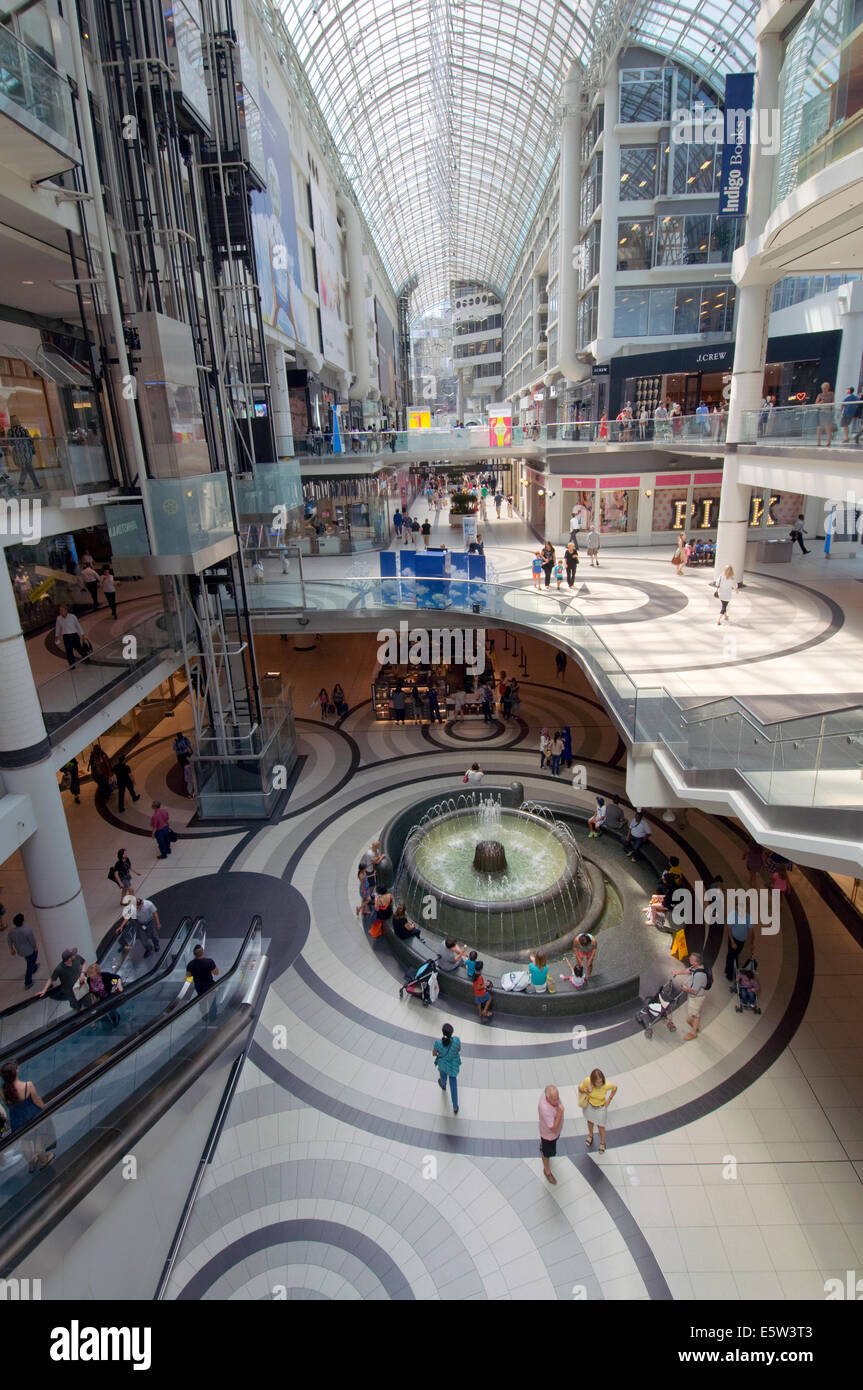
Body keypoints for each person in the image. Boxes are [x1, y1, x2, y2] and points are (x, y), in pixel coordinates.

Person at [1, 1062, 53, 1171]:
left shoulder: (2, 1092)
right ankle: (43, 1161)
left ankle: (31, 1164)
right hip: (32, 1115)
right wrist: (45, 1109)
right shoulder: (27, 1085)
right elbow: (37, 1100)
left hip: (16, 1119)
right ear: (16, 1072)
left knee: (25, 1141)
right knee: (37, 1140)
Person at [672, 951, 710, 1041]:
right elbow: (688, 970)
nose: (689, 959)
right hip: (693, 997)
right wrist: (677, 973)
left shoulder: (699, 975)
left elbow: (695, 991)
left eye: (691, 959)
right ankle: (693, 1020)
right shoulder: (695, 967)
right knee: (694, 1012)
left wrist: (685, 988)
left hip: (696, 998)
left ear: (696, 962)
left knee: (696, 1014)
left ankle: (693, 1033)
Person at [579, 1069, 617, 1153]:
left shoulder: (606, 1085)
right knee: (590, 1121)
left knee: (601, 1126)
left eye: (601, 1081)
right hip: (589, 1106)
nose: (600, 1084)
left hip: (600, 1108)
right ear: (593, 1081)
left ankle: (602, 1143)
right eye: (597, 1082)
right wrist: (586, 1090)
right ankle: (590, 1135)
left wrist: (609, 1099)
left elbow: (615, 1088)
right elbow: (580, 1088)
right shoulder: (587, 1081)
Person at [38, 946, 87, 1010]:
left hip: (81, 986)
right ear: (69, 958)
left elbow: (84, 962)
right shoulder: (59, 969)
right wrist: (44, 990)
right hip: (71, 992)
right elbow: (51, 979)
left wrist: (82, 973)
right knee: (76, 1005)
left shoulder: (77, 957)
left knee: (86, 999)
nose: (75, 954)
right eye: (73, 954)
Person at [538, 1084, 564, 1184]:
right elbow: (553, 1127)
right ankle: (547, 1171)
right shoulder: (544, 1108)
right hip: (549, 1136)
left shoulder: (551, 1098)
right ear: (548, 1098)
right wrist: (560, 1113)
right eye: (554, 1100)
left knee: (546, 1146)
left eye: (558, 1098)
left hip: (553, 1133)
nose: (557, 1102)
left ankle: (542, 1145)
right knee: (547, 1153)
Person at [432, 1023, 461, 1114]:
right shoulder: (456, 1040)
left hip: (443, 1064)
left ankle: (443, 1084)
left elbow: (434, 1054)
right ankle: (455, 1107)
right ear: (452, 1033)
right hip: (453, 1066)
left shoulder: (438, 1043)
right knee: (453, 1085)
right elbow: (459, 1049)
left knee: (443, 1076)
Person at [85, 962, 123, 1028]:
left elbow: (117, 977)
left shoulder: (104, 975)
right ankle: (108, 1022)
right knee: (103, 1011)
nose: (90, 976)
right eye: (89, 974)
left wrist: (114, 985)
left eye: (92, 974)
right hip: (101, 998)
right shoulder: (89, 980)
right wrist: (93, 1001)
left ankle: (116, 1021)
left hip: (109, 996)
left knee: (112, 1010)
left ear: (97, 973)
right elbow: (91, 991)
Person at [5, 416, 39, 490]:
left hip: (18, 453)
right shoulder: (23, 429)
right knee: (28, 468)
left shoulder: (10, 431)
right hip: (26, 452)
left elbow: (10, 442)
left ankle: (22, 486)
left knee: (26, 469)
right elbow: (30, 440)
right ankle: (35, 485)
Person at [8, 913, 38, 989]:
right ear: (23, 921)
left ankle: (34, 967)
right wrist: (35, 947)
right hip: (29, 951)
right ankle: (28, 982)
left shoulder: (11, 931)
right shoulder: (27, 931)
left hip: (21, 951)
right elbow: (32, 941)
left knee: (29, 960)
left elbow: (9, 940)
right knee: (30, 963)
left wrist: (11, 949)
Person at [725, 910, 754, 983]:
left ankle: (730, 970)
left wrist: (751, 943)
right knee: (731, 955)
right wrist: (732, 942)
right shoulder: (733, 915)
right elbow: (729, 929)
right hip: (733, 938)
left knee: (736, 954)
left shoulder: (748, 917)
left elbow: (751, 931)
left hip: (741, 941)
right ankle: (729, 974)